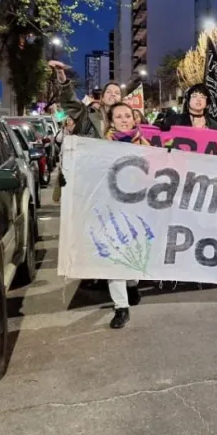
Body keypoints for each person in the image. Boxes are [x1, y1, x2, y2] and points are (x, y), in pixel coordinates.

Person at [104, 103, 149, 329]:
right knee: (115, 255)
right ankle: (121, 307)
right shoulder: (101, 147)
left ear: (134, 119)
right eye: (118, 116)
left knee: (135, 252)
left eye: (127, 116)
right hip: (112, 210)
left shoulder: (145, 145)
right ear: (111, 121)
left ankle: (132, 284)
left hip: (139, 209)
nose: (123, 120)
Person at [53, 61, 121, 139]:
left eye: (117, 93)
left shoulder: (127, 118)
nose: (113, 94)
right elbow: (70, 102)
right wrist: (63, 82)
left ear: (121, 98)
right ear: (102, 97)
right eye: (109, 92)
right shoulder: (86, 113)